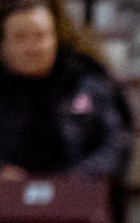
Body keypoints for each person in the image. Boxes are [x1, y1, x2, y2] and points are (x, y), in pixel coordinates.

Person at [0, 0, 130, 182]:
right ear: (3, 45)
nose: (32, 48)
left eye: (41, 36)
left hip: (80, 191)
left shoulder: (87, 81)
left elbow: (115, 144)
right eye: (20, 38)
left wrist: (73, 180)